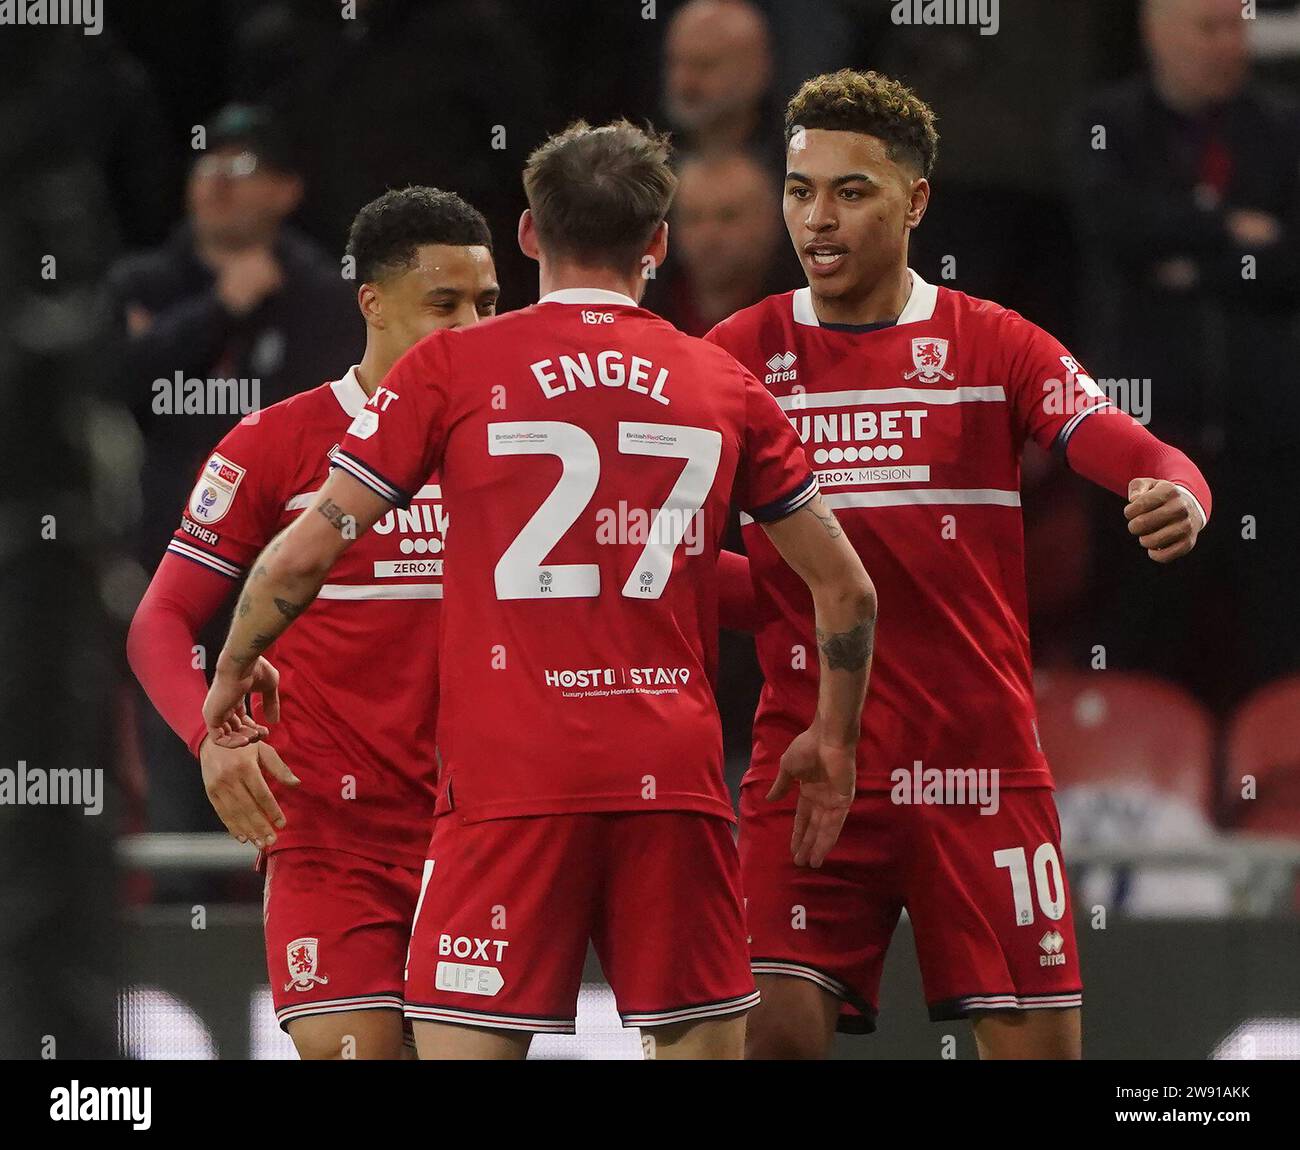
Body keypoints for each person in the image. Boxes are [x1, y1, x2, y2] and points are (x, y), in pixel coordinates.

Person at [202, 120, 877, 1061]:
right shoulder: (723, 383)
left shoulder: (451, 367)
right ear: (659, 244)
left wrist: (233, 672)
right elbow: (843, 591)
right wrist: (832, 736)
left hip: (512, 788)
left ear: (527, 235)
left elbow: (305, 552)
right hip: (672, 785)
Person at [705, 69, 1213, 1060]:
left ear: (914, 199)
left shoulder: (991, 343)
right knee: (767, 1038)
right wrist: (780, 598)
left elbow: (1128, 444)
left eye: (851, 192)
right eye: (801, 190)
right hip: (809, 771)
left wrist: (1178, 490)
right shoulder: (735, 355)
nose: (818, 219)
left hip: (976, 774)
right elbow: (677, 555)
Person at [128, 187, 499, 1059]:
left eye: (488, 303)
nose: (473, 327)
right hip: (335, 837)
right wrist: (208, 736)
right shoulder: (278, 443)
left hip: (489, 830)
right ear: (371, 302)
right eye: (442, 305)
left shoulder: (524, 445)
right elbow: (160, 620)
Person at [644, 149, 794, 336]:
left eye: (728, 216)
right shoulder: (645, 309)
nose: (708, 237)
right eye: (693, 218)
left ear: (770, 221)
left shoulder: (799, 315)